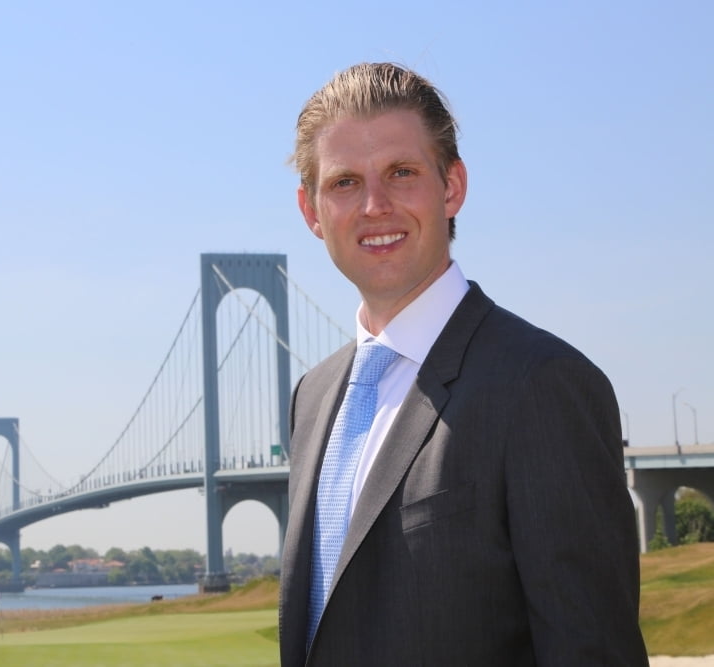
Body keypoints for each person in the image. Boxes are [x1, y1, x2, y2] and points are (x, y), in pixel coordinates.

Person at [278, 62, 648, 666]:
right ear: (311, 211)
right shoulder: (313, 398)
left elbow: (592, 649)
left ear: (452, 186)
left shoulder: (541, 384)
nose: (374, 205)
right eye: (345, 182)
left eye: (401, 173)